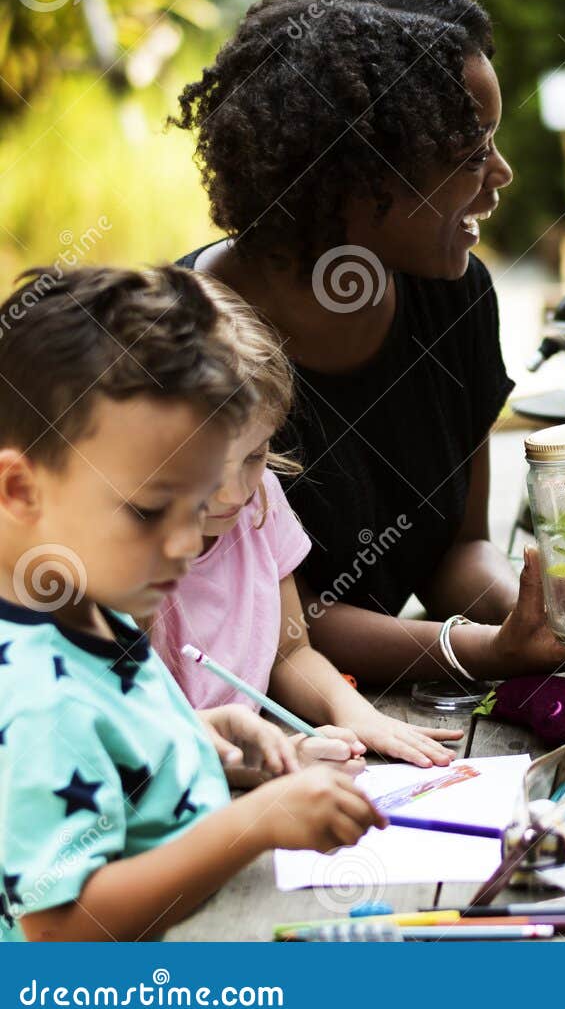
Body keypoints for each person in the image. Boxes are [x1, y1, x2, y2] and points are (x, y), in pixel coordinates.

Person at [170, 0, 565, 683]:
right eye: (472, 153)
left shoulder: (454, 296)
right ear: (361, 173)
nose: (501, 174)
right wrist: (486, 653)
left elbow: (456, 553)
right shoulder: (186, 348)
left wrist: (563, 623)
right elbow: (283, 619)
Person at [0, 266, 381, 942]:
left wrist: (205, 744)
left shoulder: (94, 602)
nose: (186, 541)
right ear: (20, 491)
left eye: (197, 500)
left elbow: (111, 752)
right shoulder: (33, 696)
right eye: (149, 509)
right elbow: (58, 933)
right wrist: (253, 824)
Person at [148, 274, 465, 768]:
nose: (235, 493)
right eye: (208, 471)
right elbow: (138, 738)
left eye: (255, 455)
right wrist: (279, 759)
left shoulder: (259, 501)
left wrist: (354, 712)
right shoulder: (124, 556)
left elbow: (289, 654)